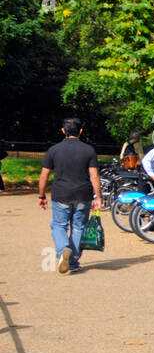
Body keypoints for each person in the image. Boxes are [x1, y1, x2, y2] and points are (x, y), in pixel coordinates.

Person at [37, 117, 102, 274]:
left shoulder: (54, 150)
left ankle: (63, 250)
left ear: (63, 131)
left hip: (61, 194)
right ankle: (72, 262)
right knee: (79, 226)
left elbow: (44, 175)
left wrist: (41, 196)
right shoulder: (88, 150)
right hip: (83, 194)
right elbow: (94, 175)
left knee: (59, 225)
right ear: (80, 131)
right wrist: (98, 196)